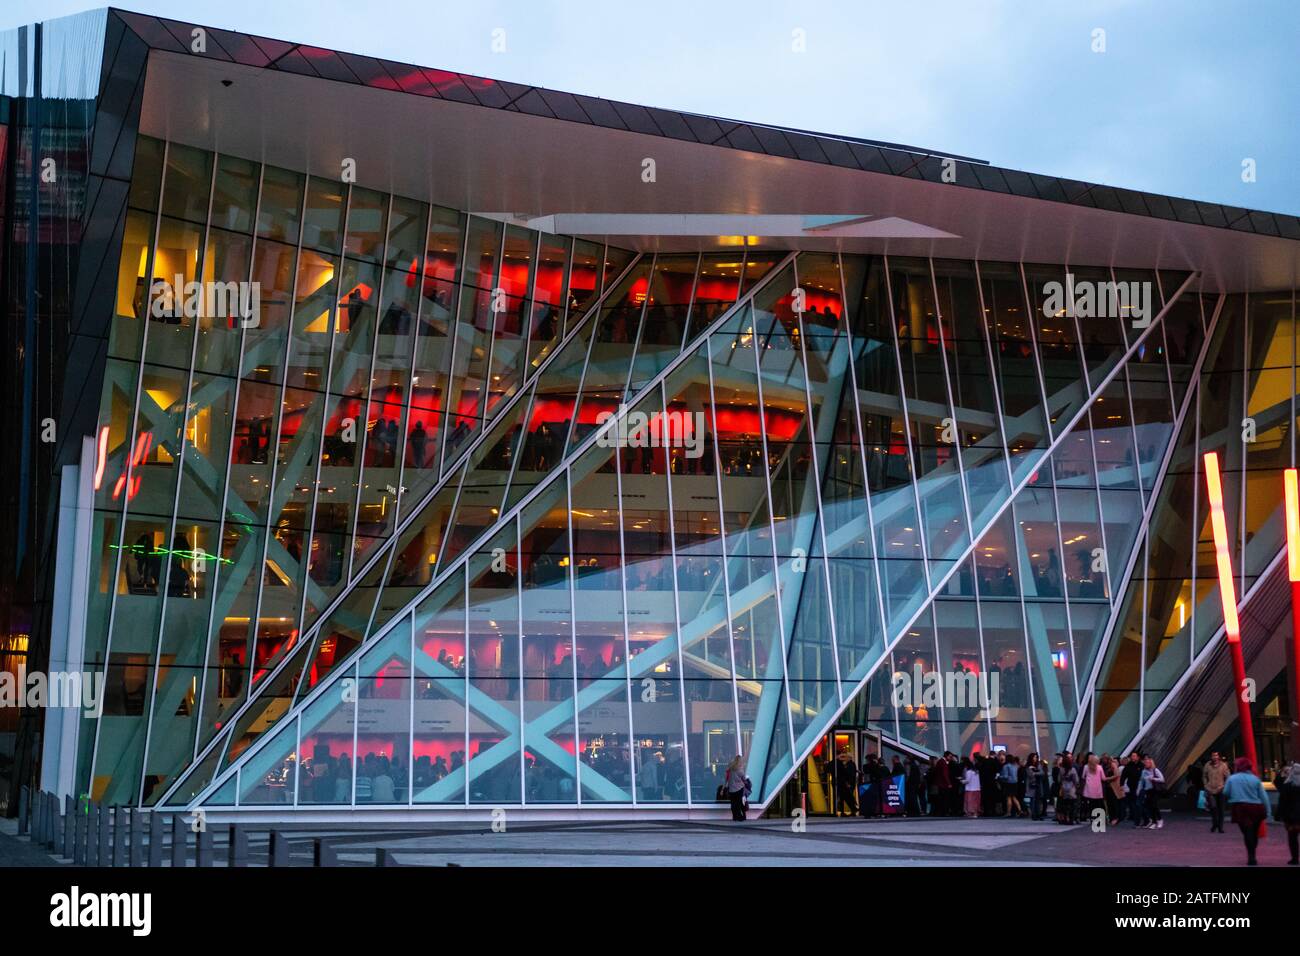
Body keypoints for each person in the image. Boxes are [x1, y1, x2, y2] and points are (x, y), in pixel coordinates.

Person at [1223, 756, 1271, 865]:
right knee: (1254, 831)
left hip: (1240, 807)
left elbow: (1225, 792)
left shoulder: (1232, 779)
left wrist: (1233, 795)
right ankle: (1253, 853)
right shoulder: (1255, 779)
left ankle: (1250, 855)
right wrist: (1268, 811)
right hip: (1256, 807)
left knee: (1246, 832)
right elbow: (1263, 796)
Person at [1202, 750, 1230, 834]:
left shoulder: (1223, 765)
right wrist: (1206, 785)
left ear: (1219, 756)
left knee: (1221, 809)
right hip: (1210, 789)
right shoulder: (1207, 765)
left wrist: (1224, 786)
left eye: (1216, 755)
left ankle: (1220, 827)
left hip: (1221, 789)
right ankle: (1215, 824)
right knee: (1213, 808)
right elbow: (1204, 776)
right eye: (1213, 755)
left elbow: (1228, 777)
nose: (1214, 757)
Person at [1279, 762, 1300, 866]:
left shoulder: (1287, 786)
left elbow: (1282, 802)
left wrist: (1280, 815)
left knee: (1292, 838)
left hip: (1291, 817)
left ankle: (1295, 859)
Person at [1138, 756, 1166, 829]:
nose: (1146, 764)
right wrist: (1138, 790)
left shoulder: (1155, 770)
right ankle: (1154, 822)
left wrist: (1153, 779)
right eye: (1145, 763)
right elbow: (1141, 781)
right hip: (1148, 790)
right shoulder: (1143, 771)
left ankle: (1160, 820)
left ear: (1151, 763)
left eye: (1147, 763)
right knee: (1149, 806)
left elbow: (1162, 779)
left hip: (1155, 790)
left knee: (1154, 805)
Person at [1121, 751, 1145, 826]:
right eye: (1132, 756)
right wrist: (1121, 784)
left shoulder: (1141, 765)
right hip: (1131, 787)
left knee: (1139, 804)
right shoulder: (1129, 765)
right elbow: (1124, 775)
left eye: (1134, 756)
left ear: (1138, 757)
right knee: (1133, 804)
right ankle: (1136, 821)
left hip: (1140, 787)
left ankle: (1144, 819)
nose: (1132, 757)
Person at [1081, 754, 1107, 824]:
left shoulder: (1086, 767)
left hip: (1089, 789)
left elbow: (1083, 776)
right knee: (1098, 804)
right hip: (1098, 789)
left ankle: (1092, 818)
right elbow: (1103, 778)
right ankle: (1100, 819)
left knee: (1091, 805)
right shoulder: (1099, 767)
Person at [834, 749, 860, 817]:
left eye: (845, 757)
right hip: (846, 784)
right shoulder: (849, 764)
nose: (844, 758)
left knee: (848, 797)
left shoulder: (850, 764)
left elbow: (850, 775)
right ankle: (853, 809)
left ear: (849, 758)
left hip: (848, 784)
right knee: (846, 797)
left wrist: (848, 783)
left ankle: (854, 809)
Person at [724, 755, 749, 822]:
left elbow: (727, 777)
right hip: (739, 788)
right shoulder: (740, 770)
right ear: (740, 761)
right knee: (738, 803)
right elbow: (744, 778)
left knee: (733, 803)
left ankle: (734, 817)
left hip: (731, 789)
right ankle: (739, 817)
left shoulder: (731, 768)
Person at [1056, 754, 1079, 824]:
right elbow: (1076, 780)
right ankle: (1071, 819)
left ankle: (1065, 818)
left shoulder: (1061, 770)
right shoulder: (1073, 770)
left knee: (1064, 805)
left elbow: (1059, 780)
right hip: (1071, 788)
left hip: (1064, 788)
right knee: (1072, 805)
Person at [1025, 753, 1048, 820]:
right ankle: (1033, 814)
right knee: (1033, 800)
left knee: (1038, 800)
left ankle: (1038, 814)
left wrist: (1035, 772)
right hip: (1031, 784)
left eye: (1036, 757)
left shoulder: (1038, 765)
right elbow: (1030, 774)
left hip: (1038, 784)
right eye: (1034, 757)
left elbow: (1042, 773)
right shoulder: (1028, 766)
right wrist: (1035, 772)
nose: (1035, 758)